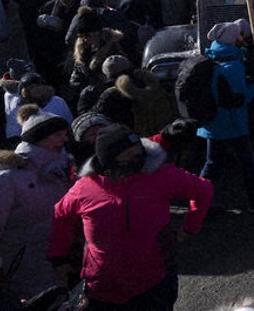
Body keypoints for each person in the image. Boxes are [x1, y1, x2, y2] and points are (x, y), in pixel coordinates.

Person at [48, 124, 214, 310]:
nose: (139, 159)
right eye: (129, 154)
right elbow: (61, 215)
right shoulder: (85, 188)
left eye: (139, 152)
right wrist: (59, 258)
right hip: (102, 288)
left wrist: (190, 227)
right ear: (109, 159)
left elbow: (203, 189)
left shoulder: (160, 175)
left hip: (153, 283)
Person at [0, 105, 72, 301]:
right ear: (39, 138)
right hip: (21, 272)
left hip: (54, 264)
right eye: (58, 135)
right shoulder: (3, 177)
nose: (65, 140)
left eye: (65, 134)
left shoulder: (57, 168)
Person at [197, 21, 254, 213]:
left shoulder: (212, 59)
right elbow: (240, 99)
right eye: (240, 35)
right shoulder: (232, 66)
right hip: (232, 123)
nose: (243, 38)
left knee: (211, 165)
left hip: (213, 122)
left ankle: (198, 203)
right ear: (233, 39)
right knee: (248, 165)